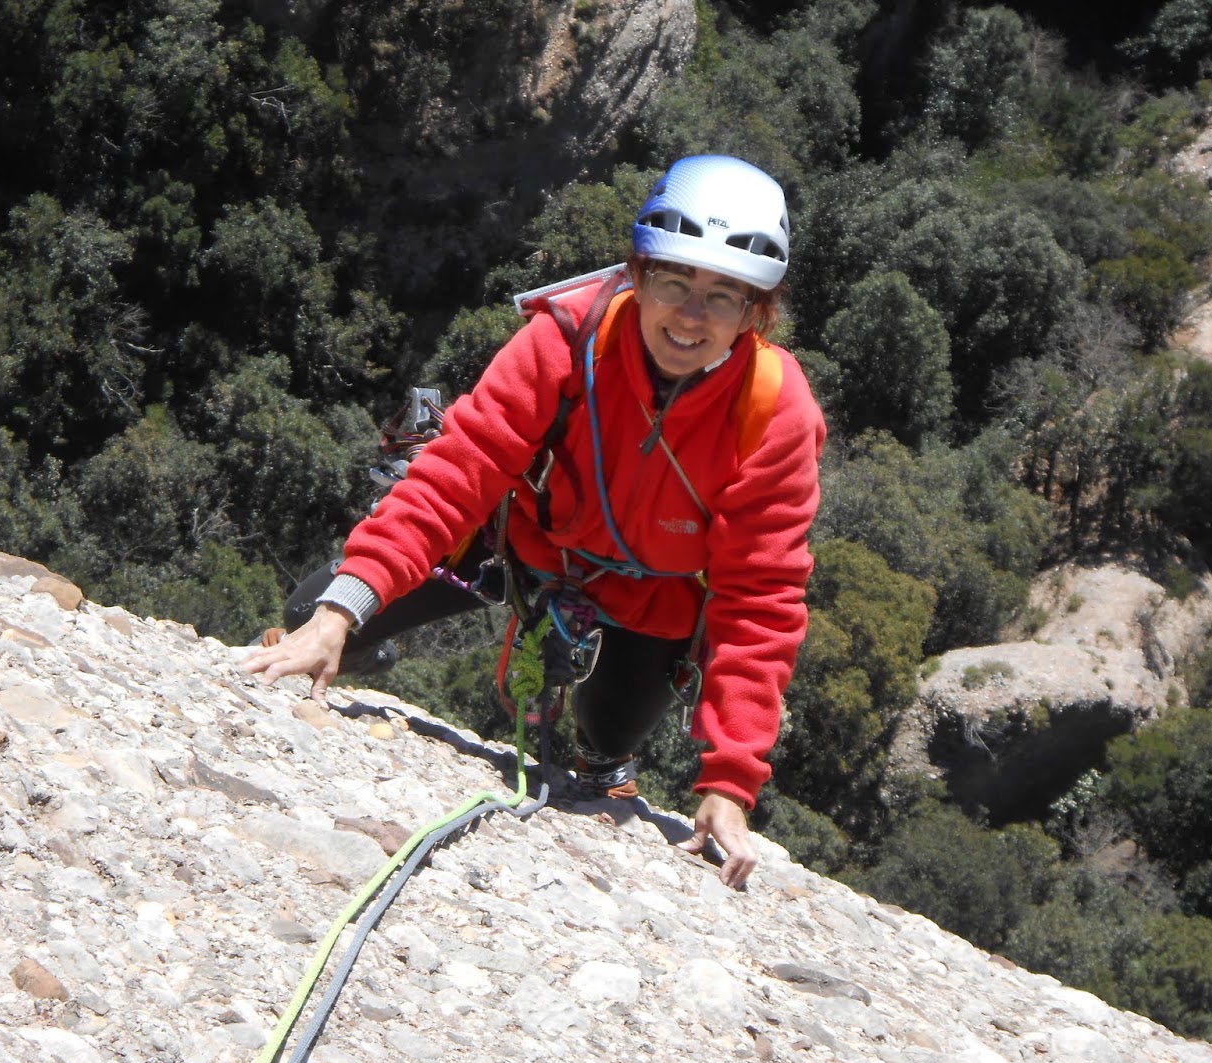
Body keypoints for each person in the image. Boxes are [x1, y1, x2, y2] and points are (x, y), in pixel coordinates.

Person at [244, 155, 825, 889]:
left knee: (608, 735)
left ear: (756, 314)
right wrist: (338, 615)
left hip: (652, 599)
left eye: (723, 296)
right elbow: (464, 470)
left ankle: (607, 764)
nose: (691, 315)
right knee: (315, 608)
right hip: (518, 549)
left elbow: (760, 596)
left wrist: (729, 782)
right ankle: (338, 645)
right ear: (637, 276)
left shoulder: (773, 411)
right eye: (674, 281)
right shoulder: (569, 337)